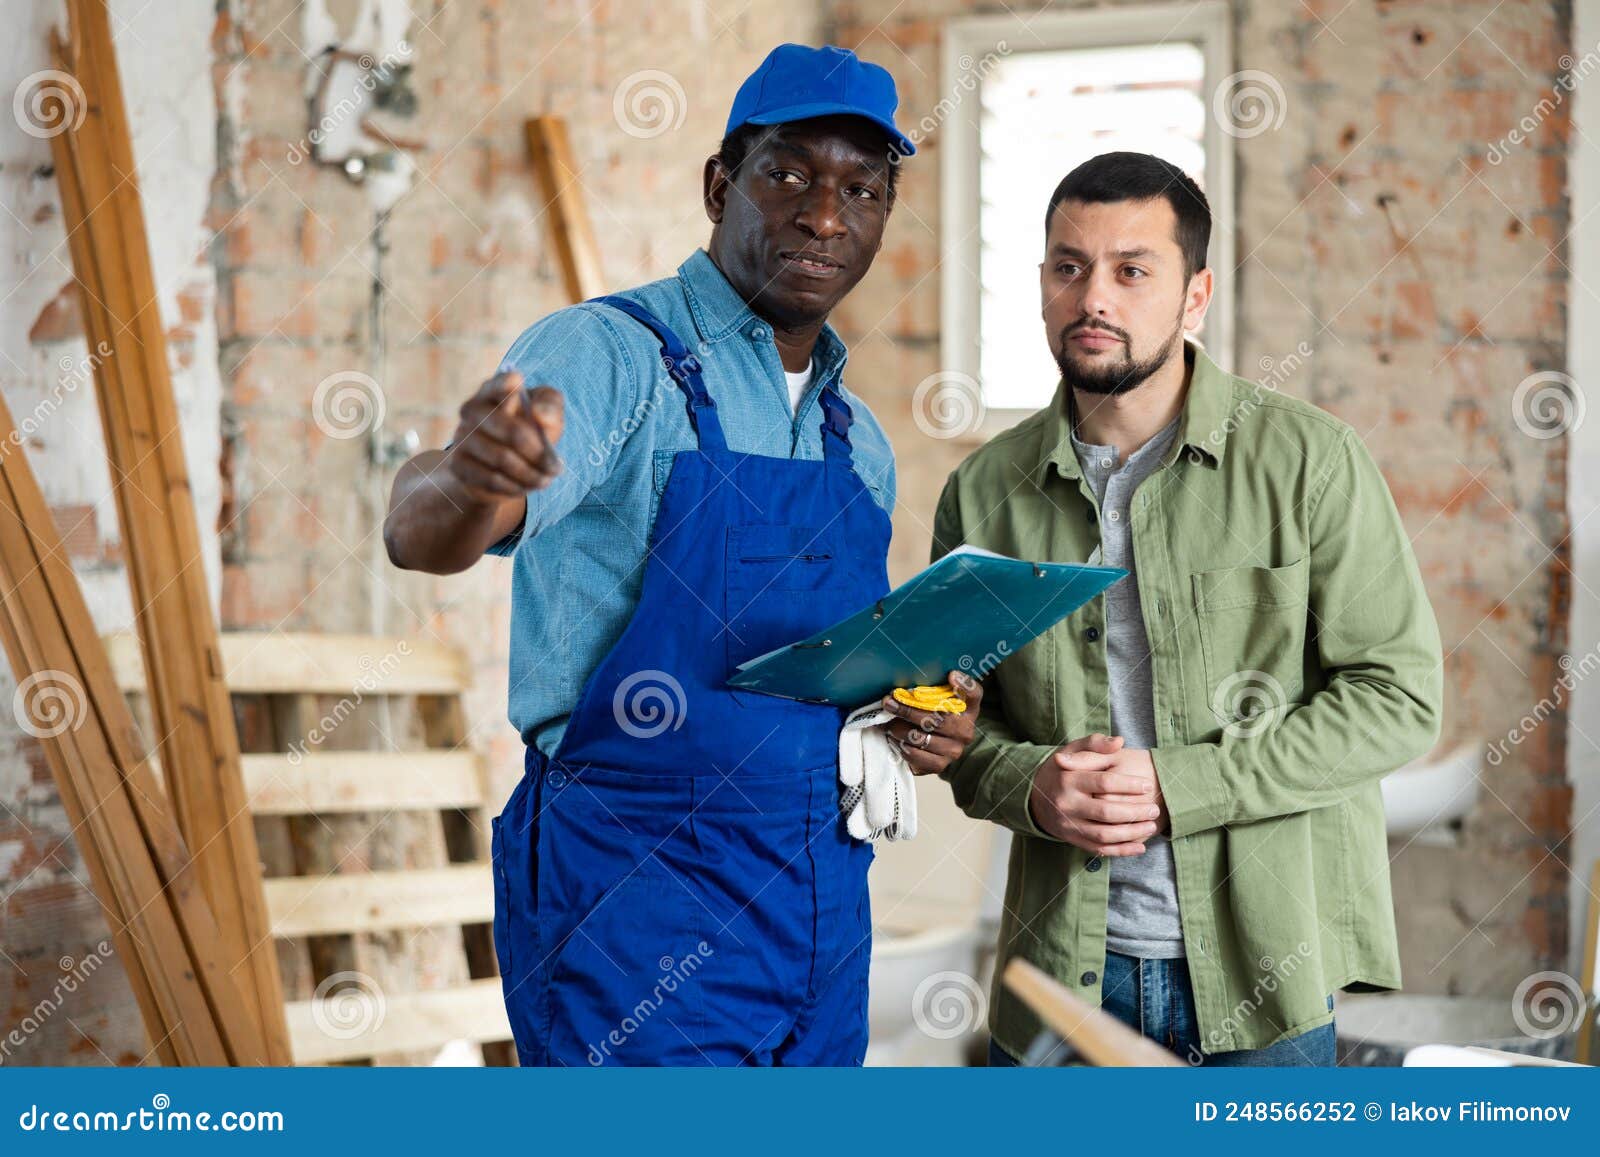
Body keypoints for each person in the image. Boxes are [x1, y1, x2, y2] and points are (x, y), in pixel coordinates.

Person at [384, 43, 980, 1066]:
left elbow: (830, 671)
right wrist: (470, 479)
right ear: (719, 186)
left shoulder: (858, 441)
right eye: (787, 174)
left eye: (861, 190)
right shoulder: (610, 356)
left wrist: (915, 720)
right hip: (635, 891)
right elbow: (418, 531)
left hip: (822, 893)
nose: (824, 216)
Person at [932, 151, 1442, 1067]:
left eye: (1132, 270)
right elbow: (957, 727)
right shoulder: (981, 493)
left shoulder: (1310, 463)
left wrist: (1180, 785)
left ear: (1195, 296)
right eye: (1069, 266)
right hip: (1059, 979)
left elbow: (1397, 699)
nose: (1094, 297)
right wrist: (1030, 783)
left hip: (1265, 983)